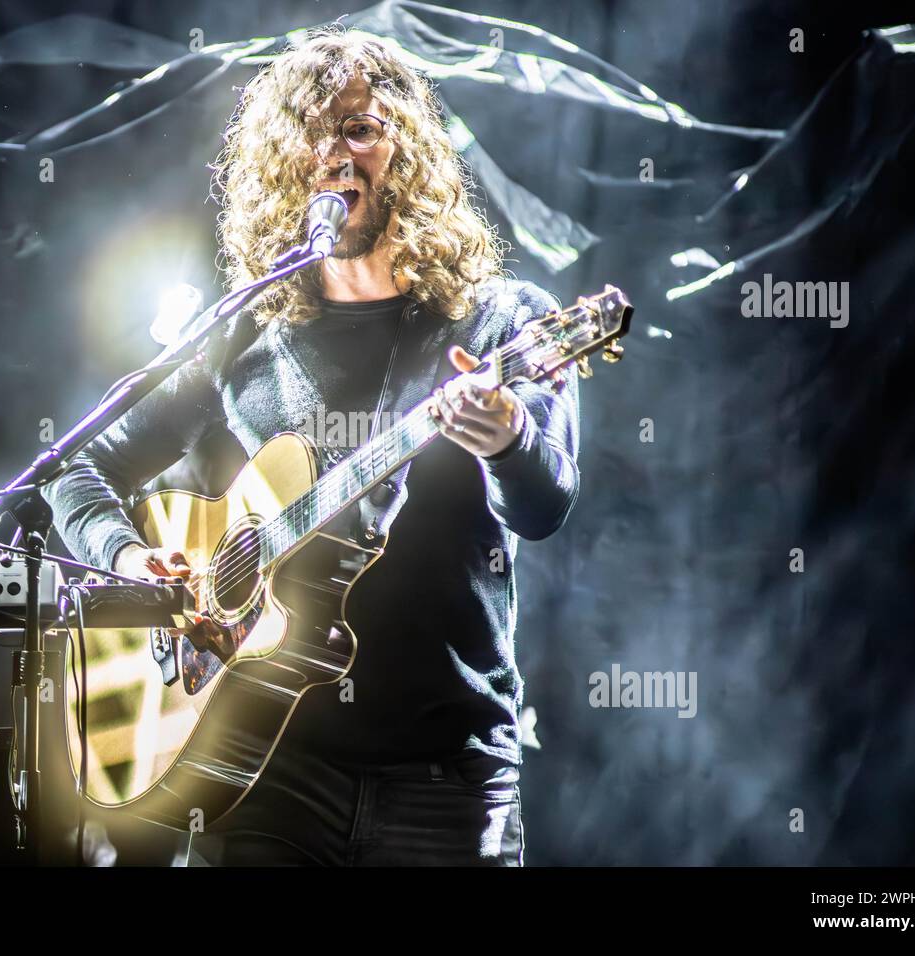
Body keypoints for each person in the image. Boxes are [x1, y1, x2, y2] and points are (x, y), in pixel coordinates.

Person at [43, 28, 580, 865]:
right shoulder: (244, 331)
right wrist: (130, 559)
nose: (333, 154)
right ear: (279, 167)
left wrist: (507, 439)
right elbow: (80, 468)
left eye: (359, 129)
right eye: (309, 134)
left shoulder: (502, 322)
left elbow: (545, 505)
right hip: (267, 767)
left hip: (451, 767)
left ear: (409, 151)